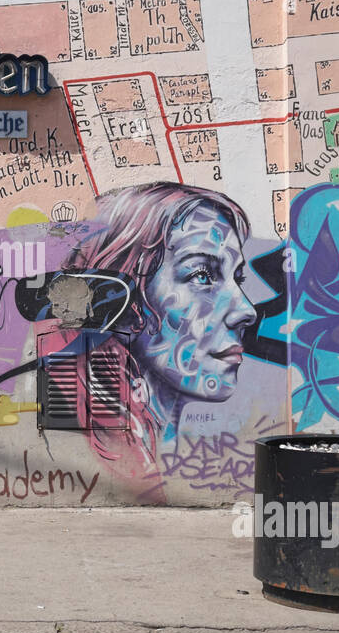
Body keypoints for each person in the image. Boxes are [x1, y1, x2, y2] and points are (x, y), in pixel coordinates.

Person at [64, 182, 259, 452]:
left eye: (237, 278)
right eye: (202, 275)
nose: (247, 311)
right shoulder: (101, 457)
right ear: (121, 301)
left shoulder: (147, 459)